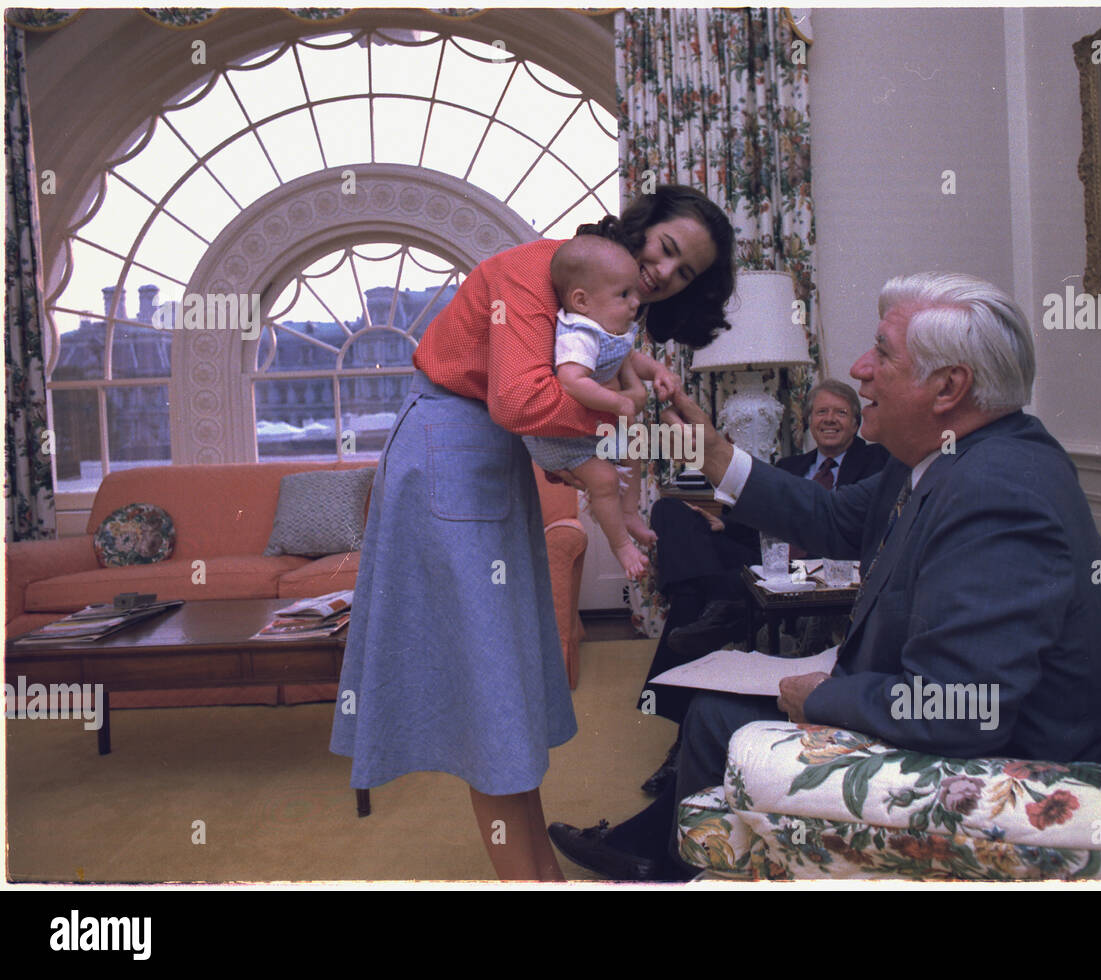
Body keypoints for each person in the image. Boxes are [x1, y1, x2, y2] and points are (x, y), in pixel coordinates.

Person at [549, 271, 1101, 881]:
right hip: (934, 711)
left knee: (721, 723)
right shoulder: (941, 456)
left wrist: (823, 695)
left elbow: (966, 707)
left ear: (948, 387)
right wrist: (714, 454)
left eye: (882, 352)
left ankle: (677, 869)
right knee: (715, 702)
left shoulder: (998, 493)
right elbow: (829, 517)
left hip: (1007, 770)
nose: (859, 368)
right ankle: (668, 859)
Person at [330, 184, 736, 881]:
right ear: (640, 228)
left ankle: (538, 874)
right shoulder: (535, 274)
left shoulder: (593, 298)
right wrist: (619, 423)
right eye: (667, 248)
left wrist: (626, 391)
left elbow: (555, 390)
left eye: (685, 271)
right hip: (451, 463)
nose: (666, 273)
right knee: (489, 700)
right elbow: (520, 400)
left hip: (485, 464)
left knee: (502, 700)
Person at [634, 379, 890, 796]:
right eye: (821, 412)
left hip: (822, 562)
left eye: (840, 412)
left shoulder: (878, 462)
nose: (829, 419)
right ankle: (712, 603)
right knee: (671, 508)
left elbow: (835, 519)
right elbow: (757, 513)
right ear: (807, 421)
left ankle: (684, 737)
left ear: (857, 423)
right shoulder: (790, 466)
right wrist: (721, 517)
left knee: (697, 603)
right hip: (762, 559)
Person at [522, 236, 682, 579]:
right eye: (624, 295)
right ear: (582, 300)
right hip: (560, 436)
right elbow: (571, 380)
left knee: (633, 449)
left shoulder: (605, 327)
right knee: (605, 478)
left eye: (634, 293)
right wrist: (618, 400)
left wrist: (659, 372)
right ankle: (621, 545)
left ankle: (628, 513)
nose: (636, 302)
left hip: (588, 427)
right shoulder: (578, 334)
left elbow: (630, 357)